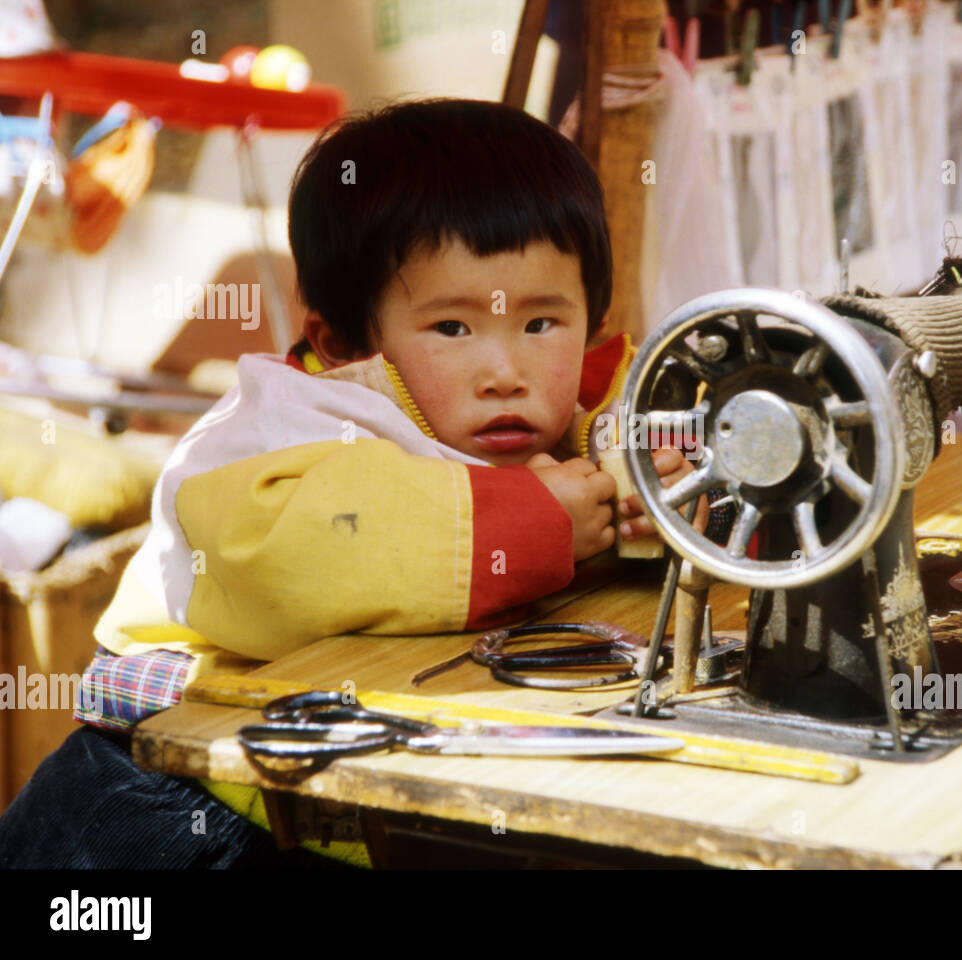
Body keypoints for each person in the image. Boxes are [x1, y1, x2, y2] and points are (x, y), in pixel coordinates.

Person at [0, 98, 704, 868]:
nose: (506, 373)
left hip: (328, 789)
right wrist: (542, 522)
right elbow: (305, 553)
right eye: (451, 329)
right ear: (342, 342)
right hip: (167, 800)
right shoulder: (285, 425)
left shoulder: (583, 419)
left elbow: (601, 513)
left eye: (542, 323)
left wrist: (649, 506)